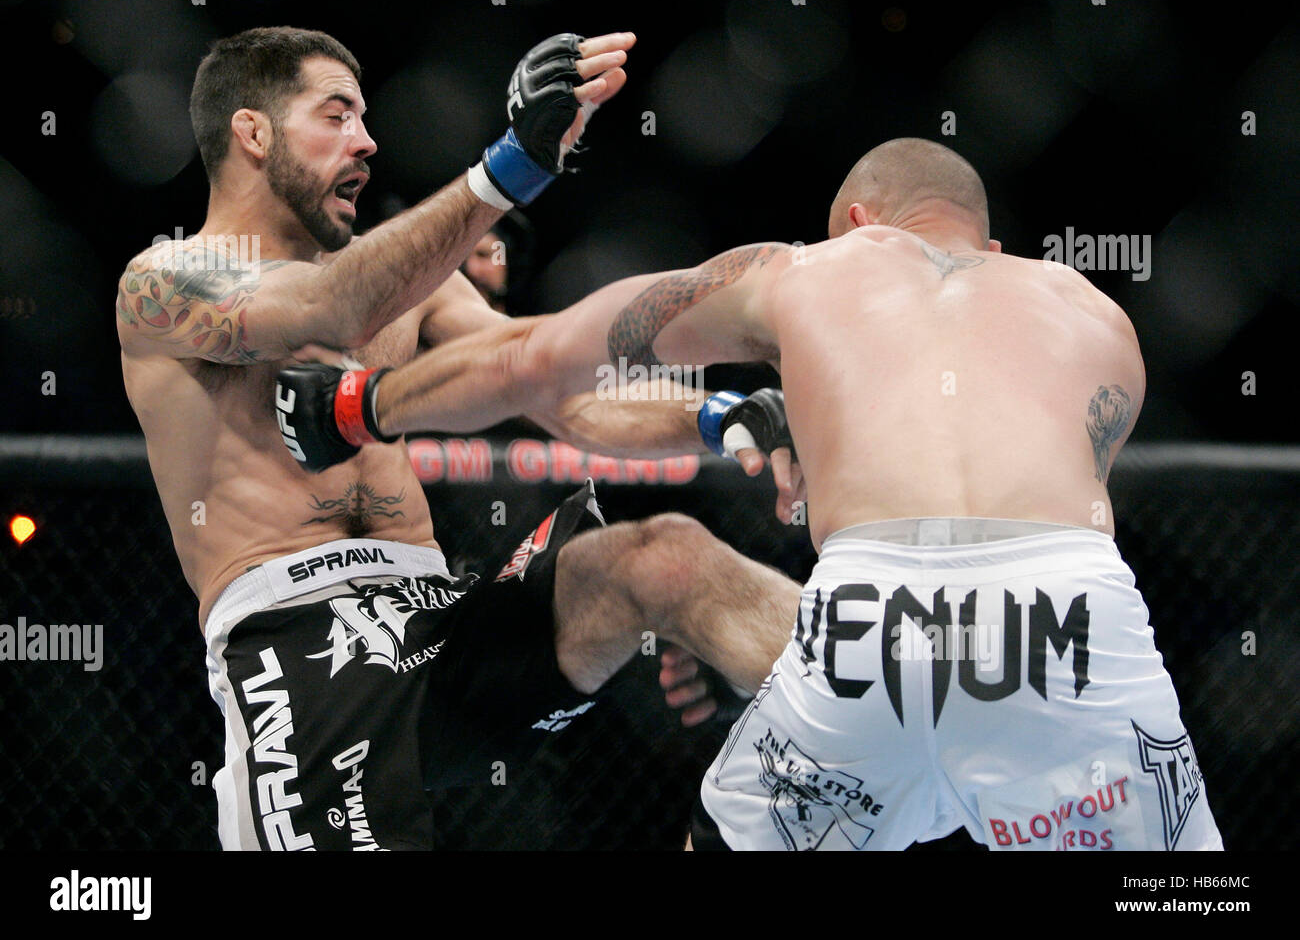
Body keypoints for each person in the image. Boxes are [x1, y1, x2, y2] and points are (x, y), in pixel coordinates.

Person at [288, 137, 1223, 851]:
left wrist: (361, 405)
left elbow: (540, 358)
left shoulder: (802, 272)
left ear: (856, 225)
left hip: (867, 631)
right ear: (993, 245)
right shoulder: (1090, 313)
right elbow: (1010, 510)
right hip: (1069, 619)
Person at [116, 25, 797, 850]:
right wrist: (506, 170)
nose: (366, 140)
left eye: (366, 116)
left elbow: (546, 376)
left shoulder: (405, 290)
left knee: (665, 557)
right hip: (298, 649)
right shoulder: (164, 282)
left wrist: (722, 416)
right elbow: (325, 309)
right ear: (252, 133)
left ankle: (871, 710)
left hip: (435, 620)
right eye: (335, 114)